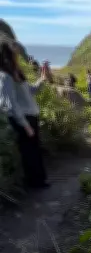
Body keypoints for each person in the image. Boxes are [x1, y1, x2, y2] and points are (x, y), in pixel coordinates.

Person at [0, 42, 50, 188]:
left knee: (34, 150)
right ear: (7, 56)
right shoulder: (5, 76)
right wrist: (25, 125)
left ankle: (40, 181)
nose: (17, 56)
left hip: (30, 116)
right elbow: (11, 104)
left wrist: (42, 78)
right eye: (14, 53)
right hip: (23, 118)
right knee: (29, 152)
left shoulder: (16, 73)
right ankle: (34, 183)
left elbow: (31, 91)